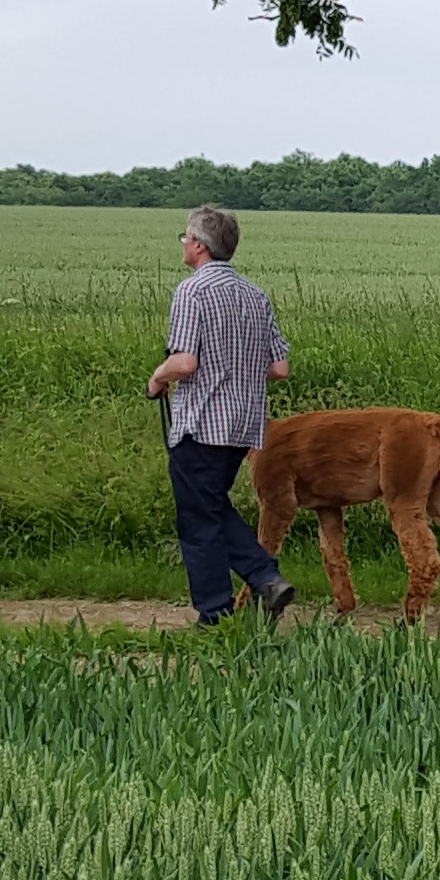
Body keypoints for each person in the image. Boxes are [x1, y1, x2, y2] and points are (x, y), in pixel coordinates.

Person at [146, 206, 295, 628]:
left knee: (198, 518)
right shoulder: (255, 295)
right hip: (244, 424)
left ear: (198, 245)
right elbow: (279, 367)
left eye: (184, 238)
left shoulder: (192, 292)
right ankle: (264, 581)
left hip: (203, 420)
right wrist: (240, 368)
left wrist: (157, 379)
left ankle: (219, 611)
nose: (183, 244)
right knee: (210, 505)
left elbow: (185, 363)